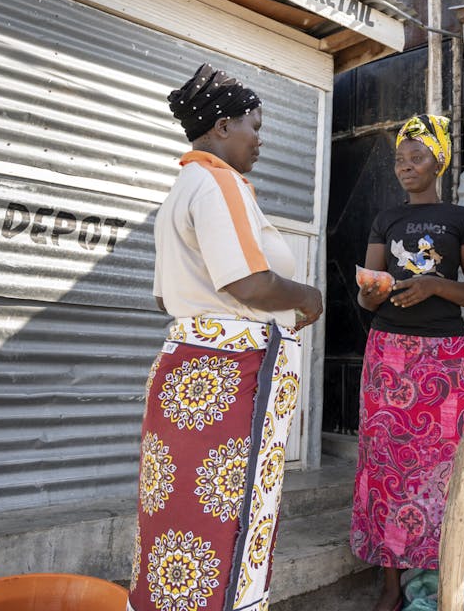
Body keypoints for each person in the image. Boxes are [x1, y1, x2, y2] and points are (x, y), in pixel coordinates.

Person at [129, 63, 323, 611]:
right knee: (228, 519)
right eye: (253, 126)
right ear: (221, 127)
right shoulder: (219, 181)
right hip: (229, 380)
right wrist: (307, 297)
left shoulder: (182, 188)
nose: (259, 140)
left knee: (178, 518)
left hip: (185, 375)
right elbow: (248, 281)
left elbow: (165, 299)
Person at [351, 114, 464, 611]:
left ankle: (442, 564)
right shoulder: (385, 219)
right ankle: (391, 583)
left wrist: (434, 284)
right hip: (388, 353)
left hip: (444, 358)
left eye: (417, 157)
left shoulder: (461, 218)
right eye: (399, 159)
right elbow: (366, 299)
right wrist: (374, 291)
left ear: (440, 161)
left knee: (444, 462)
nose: (405, 166)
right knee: (385, 463)